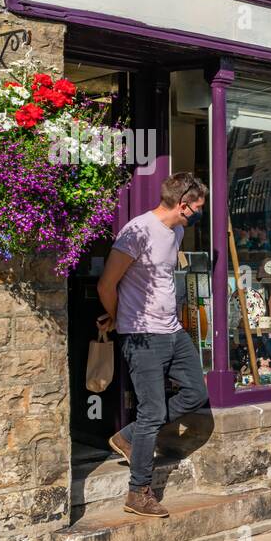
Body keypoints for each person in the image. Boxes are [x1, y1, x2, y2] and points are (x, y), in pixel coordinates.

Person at [97, 173, 210, 518]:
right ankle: (138, 492)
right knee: (152, 413)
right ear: (183, 204)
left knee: (195, 391)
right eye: (198, 209)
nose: (198, 216)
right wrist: (118, 317)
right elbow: (106, 284)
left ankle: (128, 437)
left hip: (172, 331)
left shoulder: (176, 230)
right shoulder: (137, 232)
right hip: (142, 335)